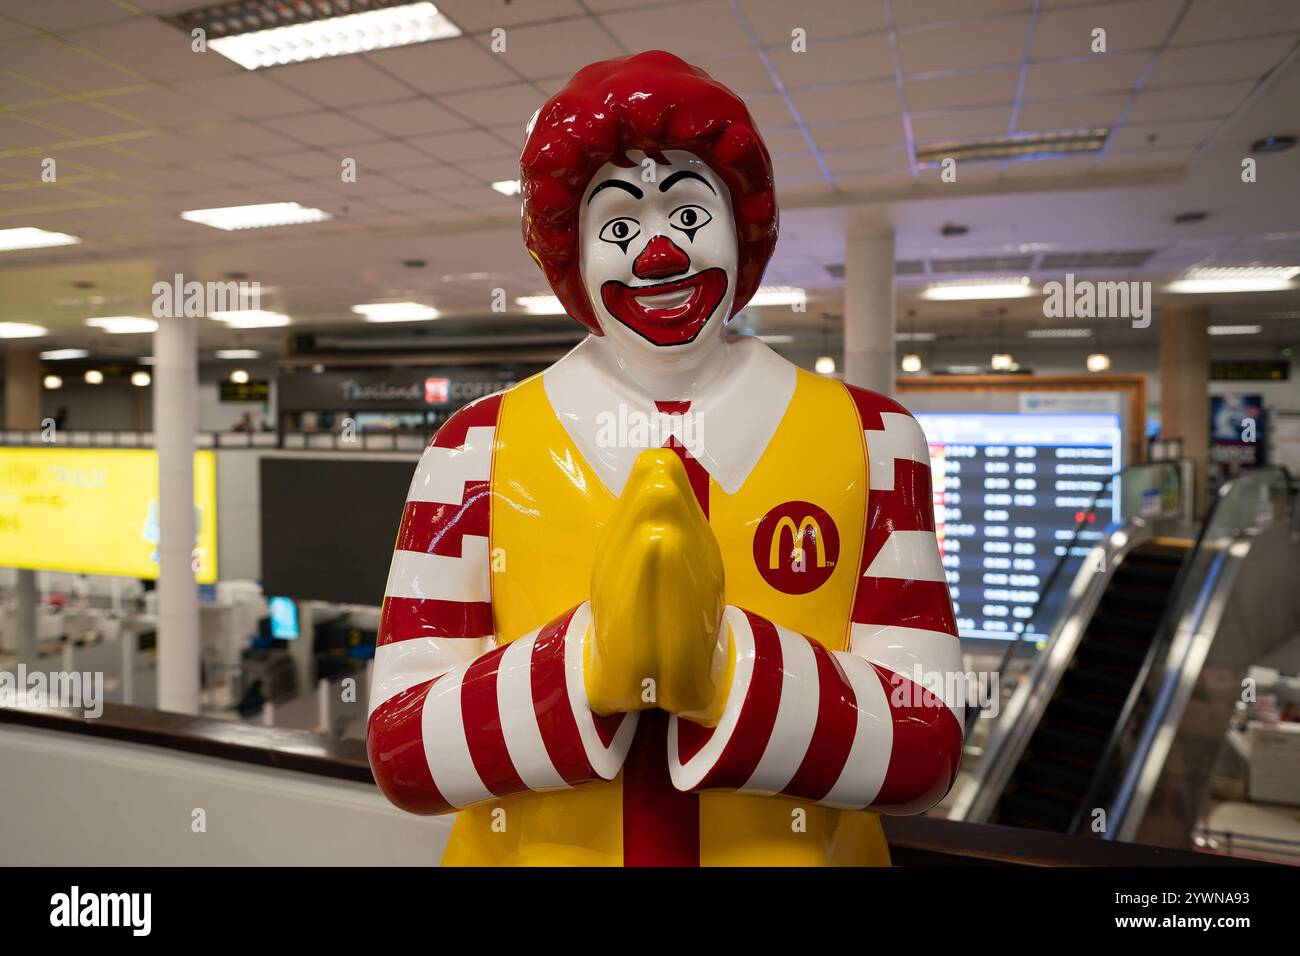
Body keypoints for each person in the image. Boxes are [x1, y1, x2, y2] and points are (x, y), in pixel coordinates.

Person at [367, 51, 961, 866]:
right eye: (619, 227)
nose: (659, 257)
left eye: (688, 216)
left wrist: (725, 667)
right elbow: (402, 751)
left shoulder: (875, 441)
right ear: (569, 255)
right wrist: (589, 664)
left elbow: (927, 743)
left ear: (745, 225)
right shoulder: (471, 451)